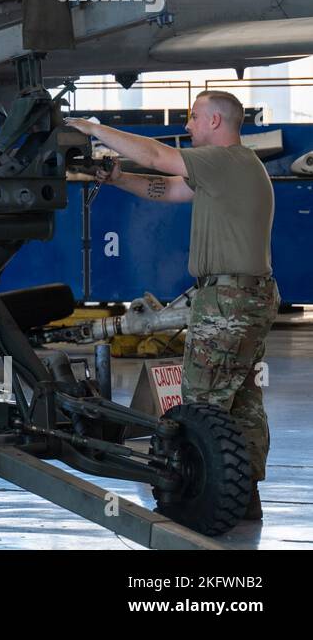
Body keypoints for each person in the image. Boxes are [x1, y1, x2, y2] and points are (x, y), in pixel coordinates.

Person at [65, 90, 276, 521]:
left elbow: (160, 158)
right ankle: (243, 495)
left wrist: (91, 127)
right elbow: (169, 190)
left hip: (229, 301)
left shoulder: (225, 160)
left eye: (194, 117)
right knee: (242, 403)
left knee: (201, 402)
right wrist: (118, 177)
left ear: (216, 122)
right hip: (249, 297)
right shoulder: (233, 168)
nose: (187, 125)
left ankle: (199, 498)